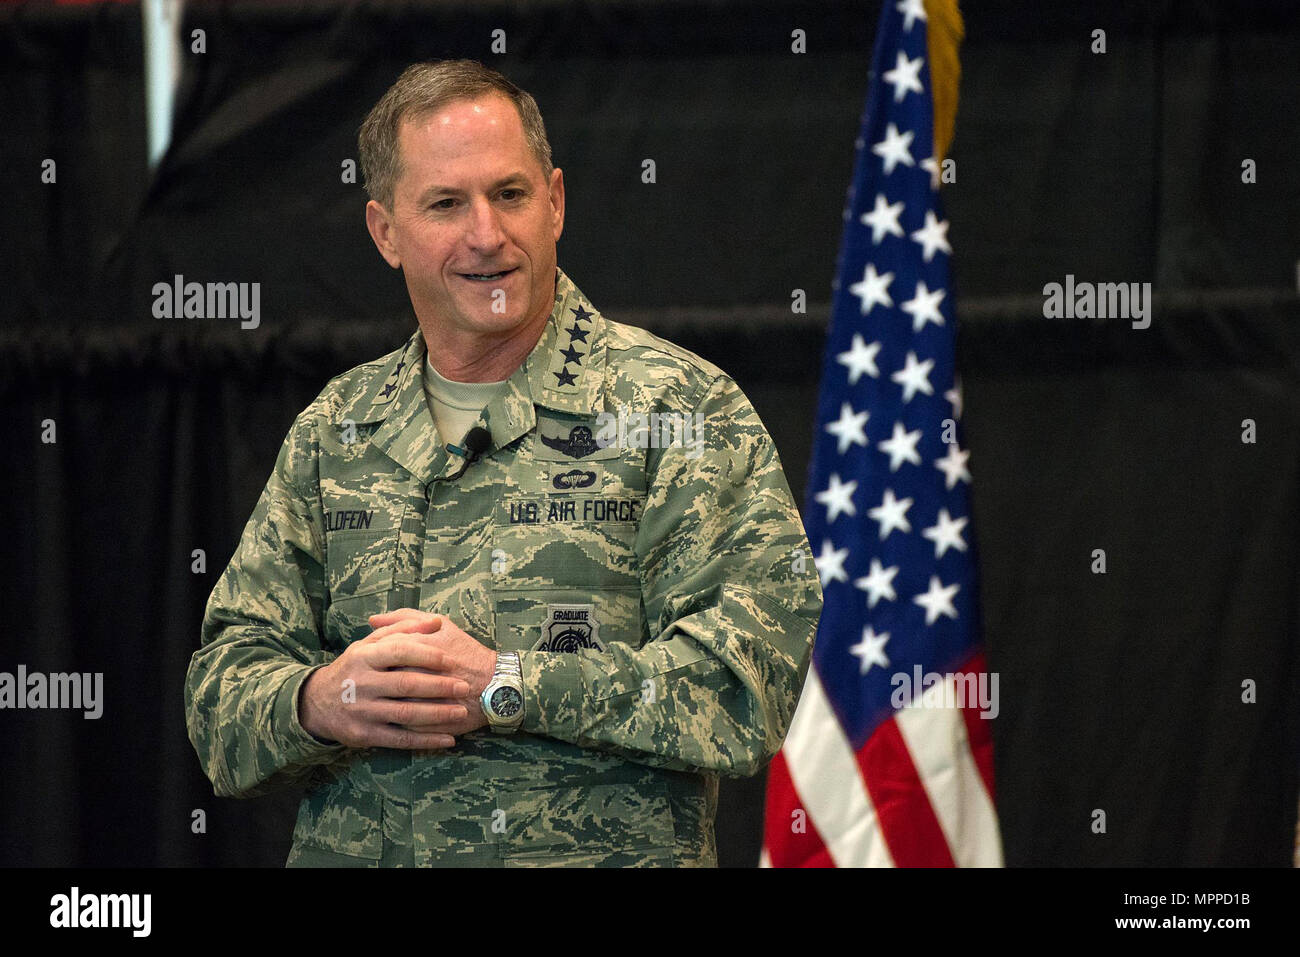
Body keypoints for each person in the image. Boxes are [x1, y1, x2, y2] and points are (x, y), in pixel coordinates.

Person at [183, 58, 822, 867]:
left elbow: (745, 689)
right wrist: (320, 700)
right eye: (447, 204)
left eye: (510, 194)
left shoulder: (681, 413)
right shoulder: (336, 429)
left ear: (555, 201)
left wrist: (504, 683)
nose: (487, 235)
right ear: (386, 232)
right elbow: (217, 701)